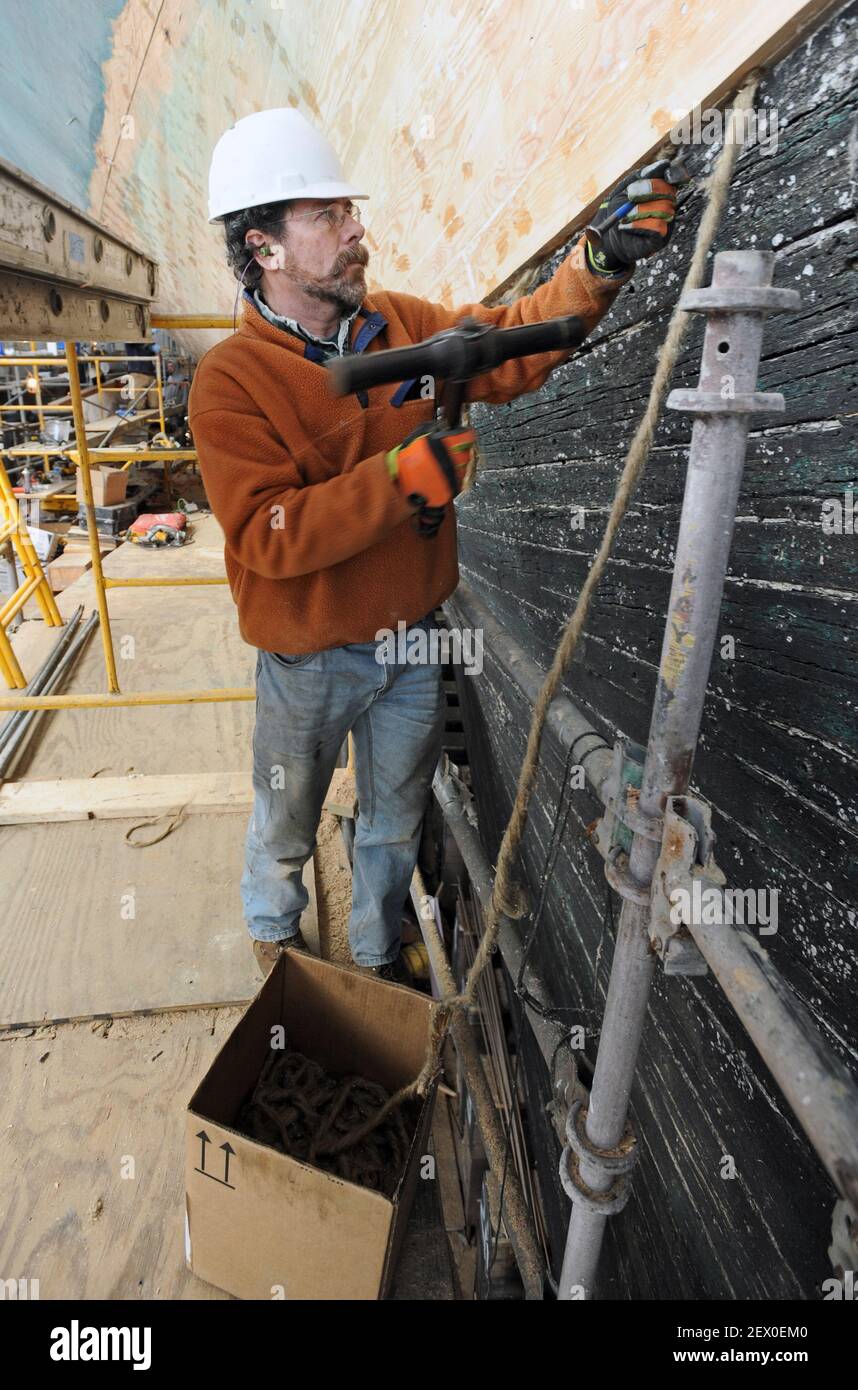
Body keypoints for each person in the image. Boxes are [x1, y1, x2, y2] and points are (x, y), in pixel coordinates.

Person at [189, 108, 680, 981]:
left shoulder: (401, 323)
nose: (356, 232)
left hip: (414, 638)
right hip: (308, 660)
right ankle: (273, 930)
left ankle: (376, 957)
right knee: (287, 815)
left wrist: (596, 267)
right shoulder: (231, 381)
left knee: (394, 815)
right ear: (264, 247)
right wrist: (402, 479)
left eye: (352, 211)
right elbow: (270, 535)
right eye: (329, 218)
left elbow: (506, 344)